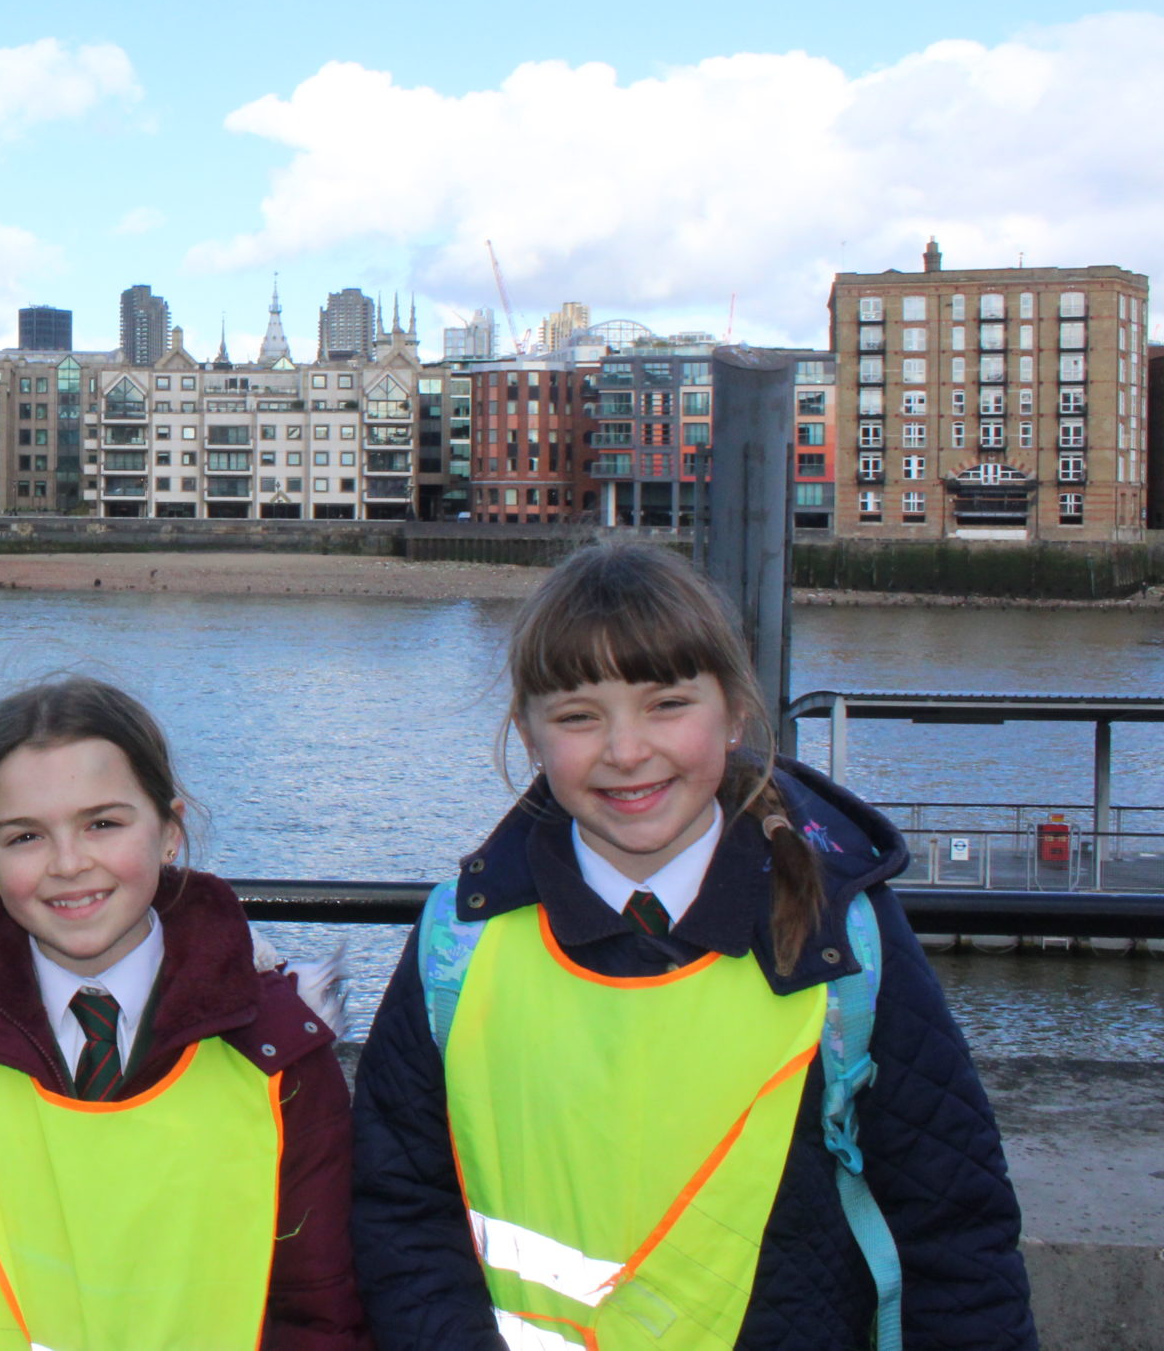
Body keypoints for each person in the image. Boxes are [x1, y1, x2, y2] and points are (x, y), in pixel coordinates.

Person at [352, 541, 1035, 1351]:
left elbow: (953, 1225)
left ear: (736, 712)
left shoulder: (842, 937)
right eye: (578, 715)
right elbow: (401, 1212)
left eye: (667, 703)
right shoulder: (457, 948)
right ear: (528, 734)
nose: (627, 749)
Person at [0, 676, 369, 1351]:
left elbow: (319, 1312)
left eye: (103, 823)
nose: (69, 862)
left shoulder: (282, 1054)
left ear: (170, 830)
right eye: (25, 835)